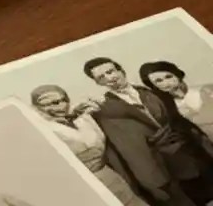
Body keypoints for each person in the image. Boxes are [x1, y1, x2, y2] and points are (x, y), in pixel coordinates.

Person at [83, 57, 213, 206]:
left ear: (121, 71)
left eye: (110, 71)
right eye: (101, 77)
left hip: (193, 158)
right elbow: (128, 149)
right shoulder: (105, 110)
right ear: (98, 83)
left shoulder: (151, 91)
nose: (110, 78)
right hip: (161, 170)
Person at [29, 85, 145, 205]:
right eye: (52, 103)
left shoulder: (84, 118)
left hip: (110, 176)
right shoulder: (43, 131)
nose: (61, 106)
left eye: (64, 100)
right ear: (37, 107)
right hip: (83, 185)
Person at [140, 61, 213, 143]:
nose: (166, 83)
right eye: (159, 81)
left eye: (168, 77)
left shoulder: (203, 91)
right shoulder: (166, 107)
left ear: (176, 75)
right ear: (154, 85)